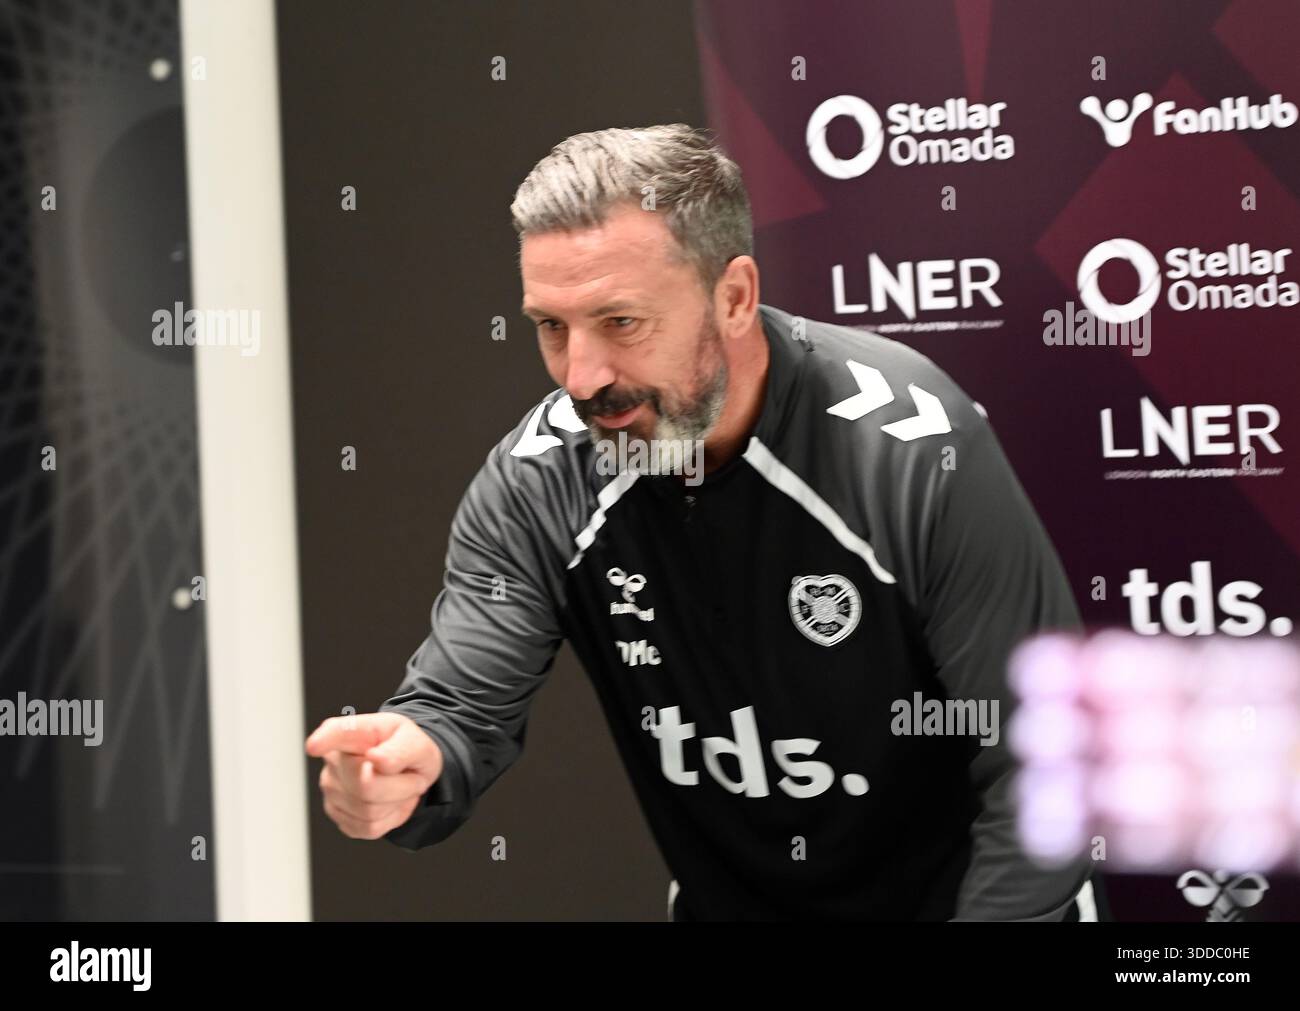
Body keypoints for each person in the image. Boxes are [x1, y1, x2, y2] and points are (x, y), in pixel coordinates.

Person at [305, 123, 1100, 921]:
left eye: (621, 322)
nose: (582, 378)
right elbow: (461, 709)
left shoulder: (911, 447)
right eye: (551, 326)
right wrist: (416, 762)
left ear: (734, 296)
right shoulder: (539, 479)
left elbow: (1046, 763)